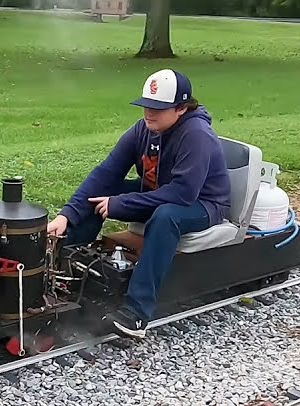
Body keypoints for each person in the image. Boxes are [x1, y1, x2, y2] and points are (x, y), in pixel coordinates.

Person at [48, 69, 230, 339]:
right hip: (159, 192)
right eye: (146, 105)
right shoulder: (142, 130)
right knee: (101, 192)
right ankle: (63, 271)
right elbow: (105, 174)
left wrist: (121, 205)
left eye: (158, 108)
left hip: (203, 204)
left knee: (166, 216)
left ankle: (137, 313)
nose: (149, 113)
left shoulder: (197, 135)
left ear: (181, 108)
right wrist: (66, 215)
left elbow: (182, 195)